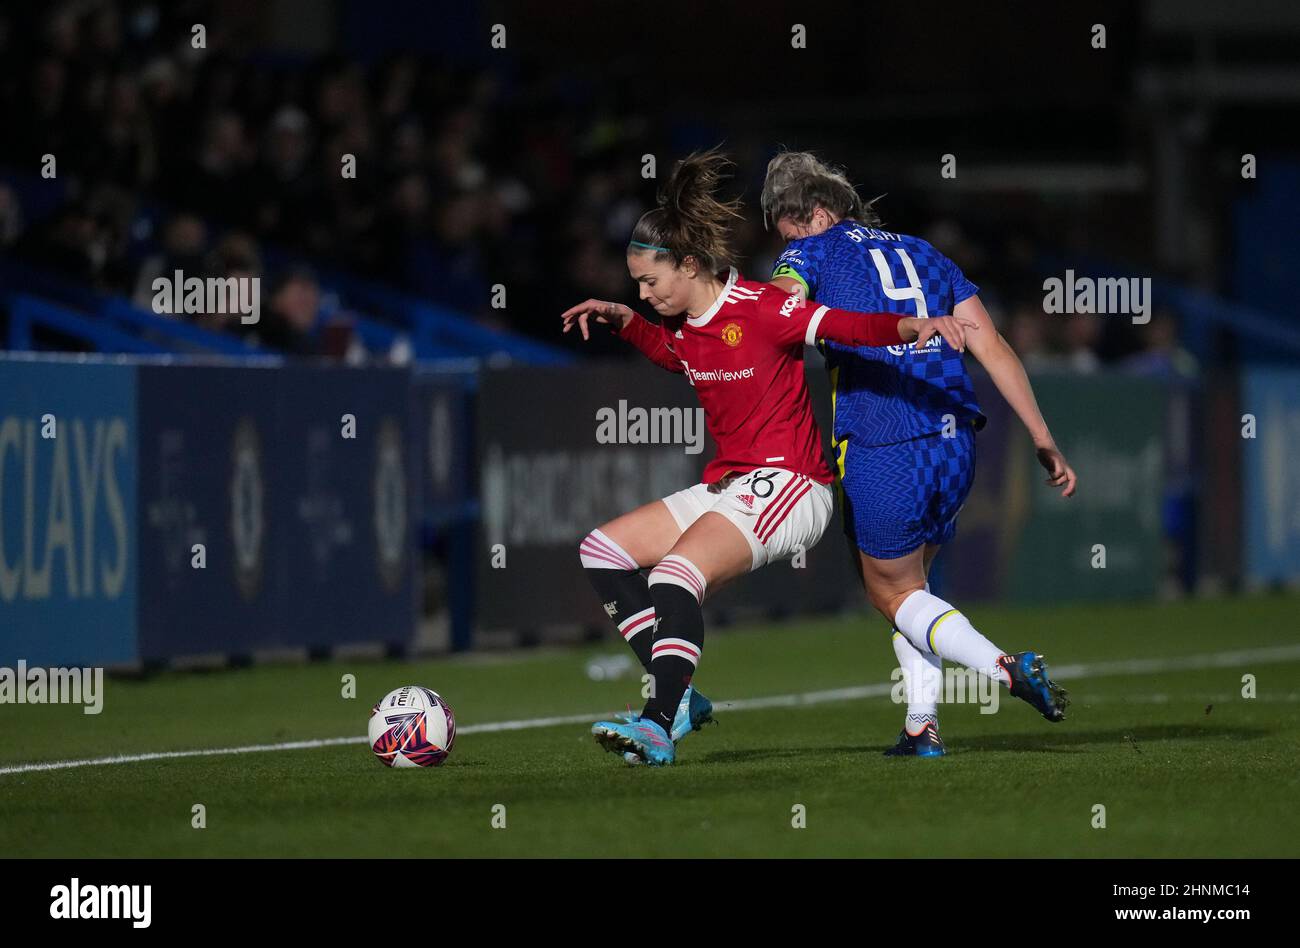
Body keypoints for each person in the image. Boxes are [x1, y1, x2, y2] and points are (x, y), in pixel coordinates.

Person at [562, 151, 978, 766]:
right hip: (734, 482)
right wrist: (627, 322)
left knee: (675, 576)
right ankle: (682, 695)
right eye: (637, 287)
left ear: (690, 265)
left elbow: (841, 325)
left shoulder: (762, 306)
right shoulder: (689, 326)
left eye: (650, 283)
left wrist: (907, 328)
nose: (644, 294)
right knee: (603, 552)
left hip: (792, 481)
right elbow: (682, 359)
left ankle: (658, 720)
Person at [762, 151, 1077, 756]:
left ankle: (1007, 667)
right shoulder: (926, 252)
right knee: (914, 591)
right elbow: (994, 347)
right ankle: (920, 727)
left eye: (790, 230)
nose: (788, 243)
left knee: (892, 594)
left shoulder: (812, 250)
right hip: (954, 440)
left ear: (818, 214)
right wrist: (1042, 435)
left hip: (885, 436)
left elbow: (779, 305)